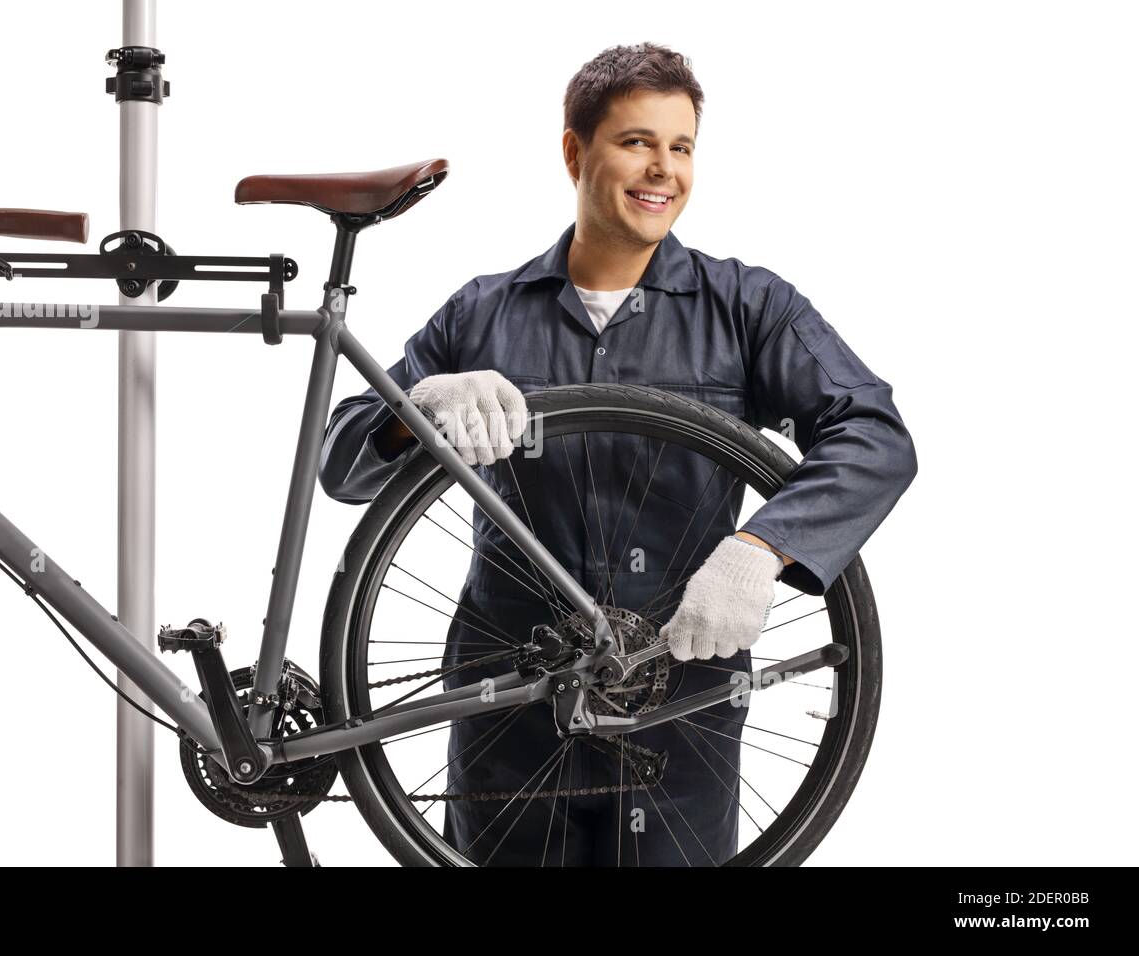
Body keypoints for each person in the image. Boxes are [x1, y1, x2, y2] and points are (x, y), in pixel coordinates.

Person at [318, 42, 917, 865]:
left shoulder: (748, 308)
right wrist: (417, 409)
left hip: (680, 713)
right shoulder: (481, 315)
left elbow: (872, 434)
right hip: (509, 711)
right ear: (576, 151)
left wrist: (763, 547)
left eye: (682, 147)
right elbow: (344, 465)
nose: (663, 169)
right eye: (638, 142)